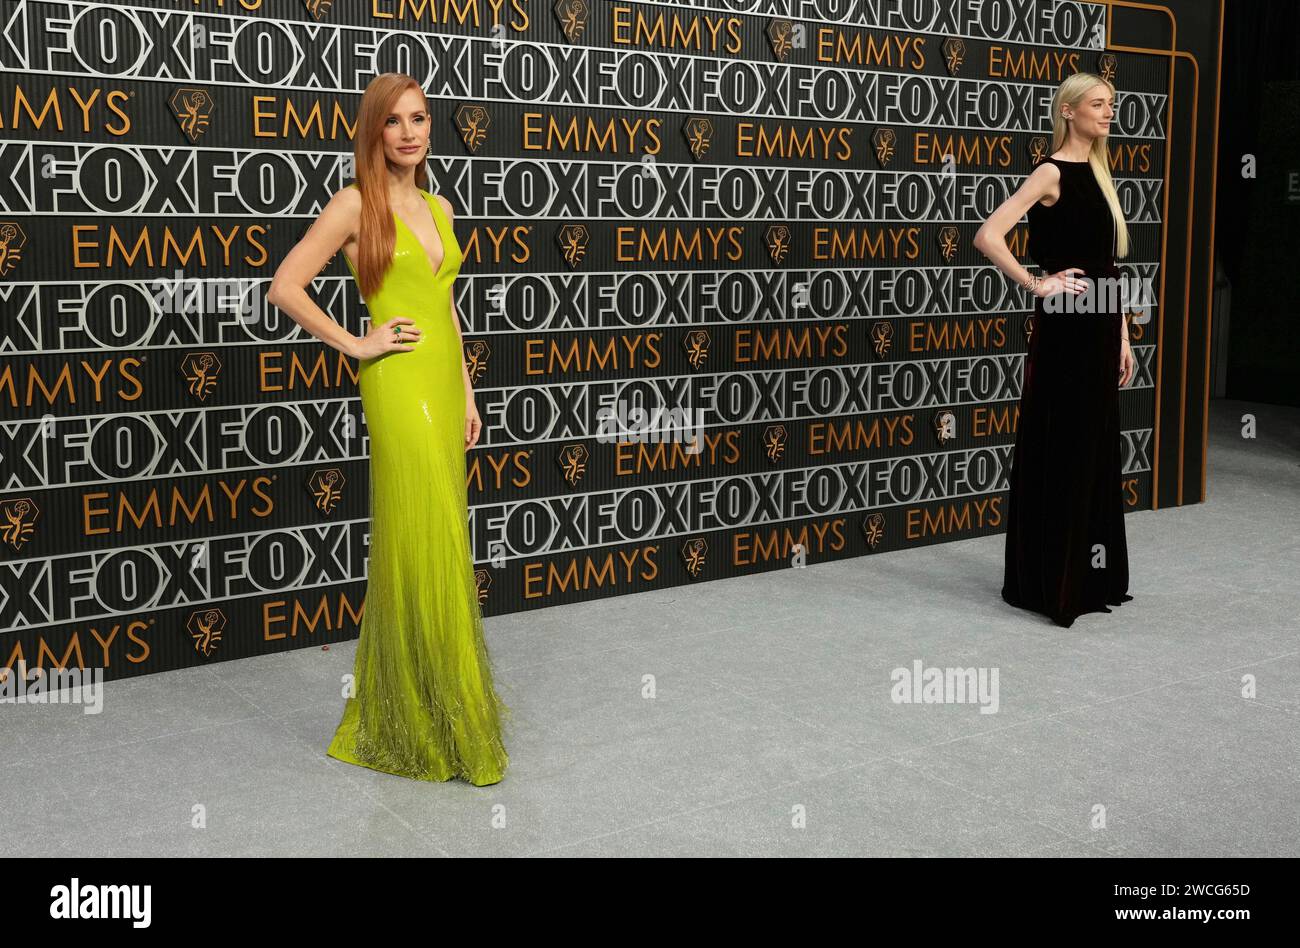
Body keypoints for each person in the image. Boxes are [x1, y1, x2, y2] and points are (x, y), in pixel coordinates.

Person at [266, 72, 509, 784]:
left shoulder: (440, 203)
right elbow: (285, 285)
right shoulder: (354, 205)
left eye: (421, 119)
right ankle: (424, 718)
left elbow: (447, 308)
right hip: (397, 385)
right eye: (395, 121)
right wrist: (357, 343)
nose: (410, 132)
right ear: (374, 132)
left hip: (440, 383)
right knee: (423, 528)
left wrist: (466, 393)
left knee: (434, 536)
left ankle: (420, 701)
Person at [973, 72, 1136, 628]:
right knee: (1062, 444)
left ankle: (1090, 576)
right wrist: (1035, 283)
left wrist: (1122, 335)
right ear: (1068, 111)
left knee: (1093, 447)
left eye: (1111, 104)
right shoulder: (1050, 171)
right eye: (1097, 104)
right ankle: (1049, 583)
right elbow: (989, 235)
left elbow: (1107, 264)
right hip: (1065, 325)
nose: (1108, 112)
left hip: (1099, 322)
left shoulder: (1101, 171)